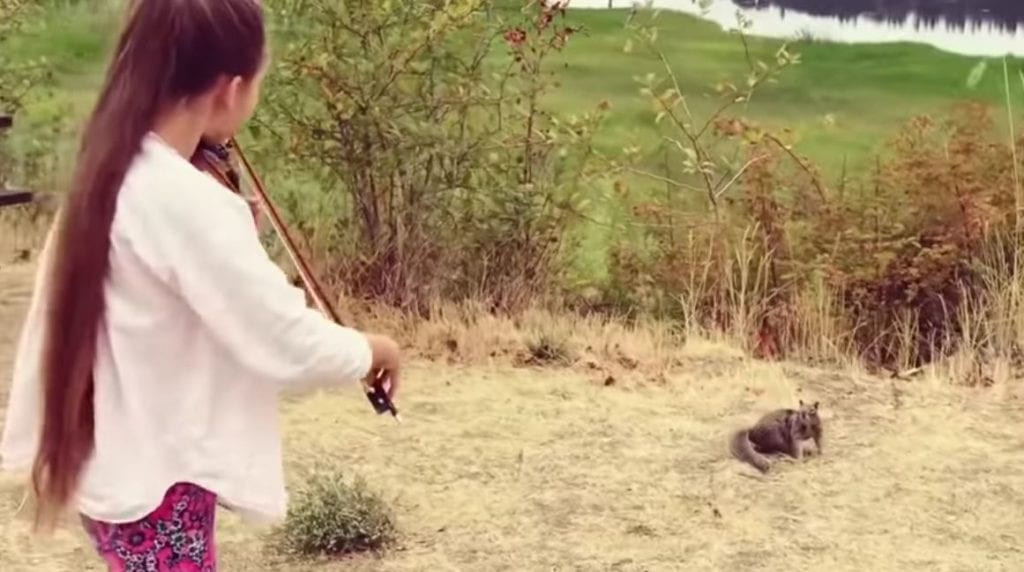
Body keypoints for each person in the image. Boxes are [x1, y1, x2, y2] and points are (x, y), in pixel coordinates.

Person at [0, 0, 402, 569]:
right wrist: (372, 350)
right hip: (159, 481)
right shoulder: (183, 199)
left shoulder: (115, 171)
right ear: (230, 89)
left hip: (119, 464)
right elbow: (281, 338)